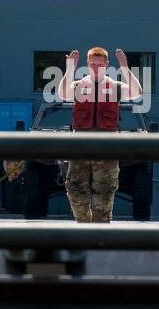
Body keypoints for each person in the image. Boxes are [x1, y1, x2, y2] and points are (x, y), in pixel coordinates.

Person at [59, 47, 143, 222]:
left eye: (100, 64)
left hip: (106, 150)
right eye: (93, 64)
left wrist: (125, 68)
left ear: (106, 65)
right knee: (76, 193)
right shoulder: (78, 86)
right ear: (87, 64)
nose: (96, 67)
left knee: (104, 197)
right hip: (80, 149)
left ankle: (99, 237)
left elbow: (137, 92)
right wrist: (70, 70)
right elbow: (62, 94)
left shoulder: (114, 87)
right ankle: (84, 227)